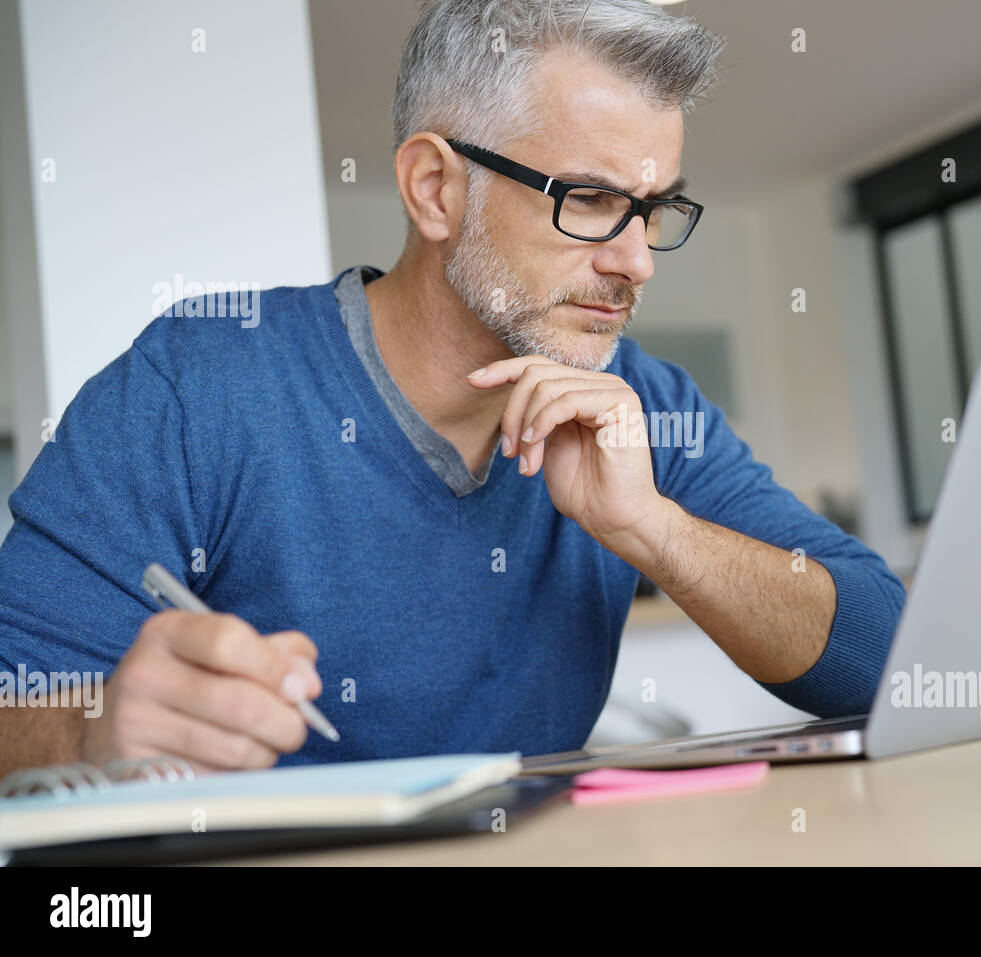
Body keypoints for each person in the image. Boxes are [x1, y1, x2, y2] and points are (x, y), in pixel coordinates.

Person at [0, 0, 904, 776]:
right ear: (434, 189)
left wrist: (654, 530)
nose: (636, 263)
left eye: (654, 209)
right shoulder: (197, 381)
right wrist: (91, 727)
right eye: (587, 199)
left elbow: (886, 655)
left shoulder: (647, 404)